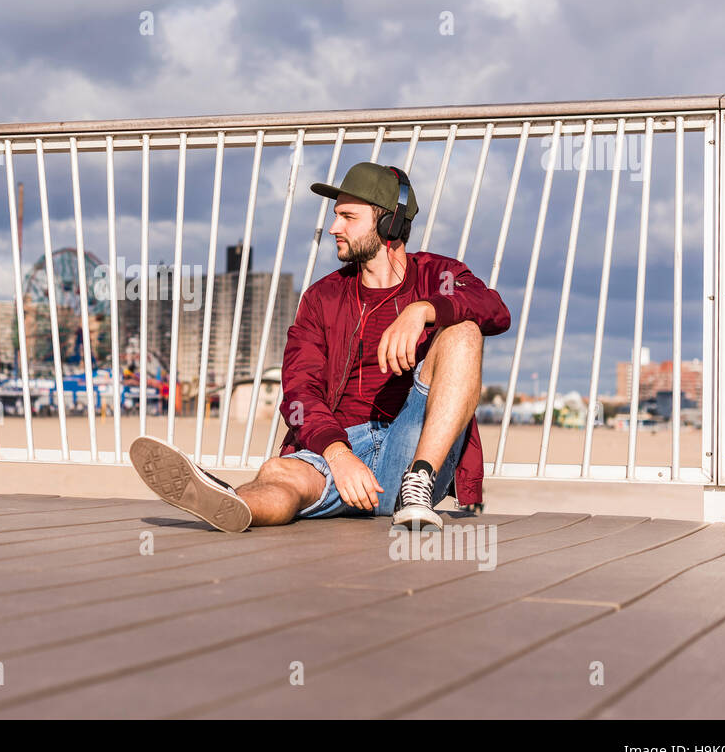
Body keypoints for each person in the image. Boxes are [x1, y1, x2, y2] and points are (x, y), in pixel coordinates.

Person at [130, 161, 512, 533]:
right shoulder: (322, 297)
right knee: (281, 475)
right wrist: (338, 453)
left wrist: (424, 309)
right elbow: (299, 388)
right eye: (335, 216)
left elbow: (494, 309)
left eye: (348, 217)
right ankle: (232, 504)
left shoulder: (438, 275)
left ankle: (417, 489)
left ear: (388, 223)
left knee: (464, 331)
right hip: (341, 447)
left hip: (411, 450)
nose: (333, 228)